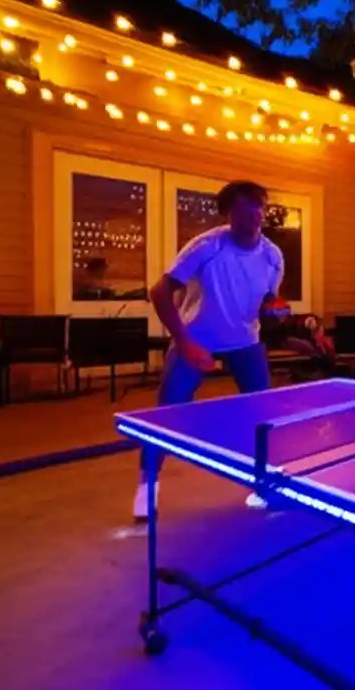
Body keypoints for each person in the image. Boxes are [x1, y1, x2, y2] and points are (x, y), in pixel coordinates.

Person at [132, 180, 286, 522]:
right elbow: (160, 291)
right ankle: (148, 485)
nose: (255, 214)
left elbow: (265, 302)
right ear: (227, 213)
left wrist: (273, 311)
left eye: (259, 205)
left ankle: (262, 482)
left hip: (246, 341)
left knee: (264, 415)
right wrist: (185, 343)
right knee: (168, 412)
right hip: (197, 337)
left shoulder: (273, 256)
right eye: (246, 207)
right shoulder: (206, 247)